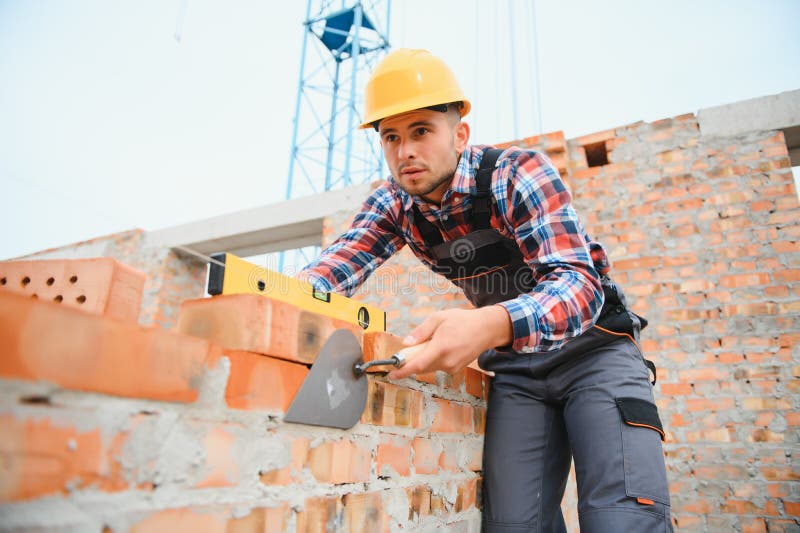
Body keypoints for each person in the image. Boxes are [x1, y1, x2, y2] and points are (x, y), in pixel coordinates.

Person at [301, 48, 672, 532]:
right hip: (519, 371)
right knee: (514, 525)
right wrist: (263, 296)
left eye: (421, 131)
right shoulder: (394, 204)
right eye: (391, 137)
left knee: (620, 520)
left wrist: (488, 324)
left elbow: (578, 284)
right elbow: (334, 266)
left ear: (459, 135)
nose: (405, 150)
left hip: (595, 353)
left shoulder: (515, 173)